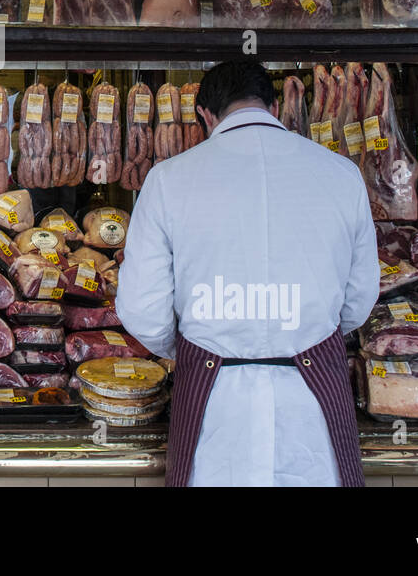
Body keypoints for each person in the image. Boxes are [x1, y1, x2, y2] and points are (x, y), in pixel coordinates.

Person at [115, 60, 378, 486]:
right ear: (275, 107)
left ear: (204, 115)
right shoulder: (343, 175)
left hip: (215, 405)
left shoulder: (167, 180)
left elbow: (143, 311)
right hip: (312, 406)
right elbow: (358, 301)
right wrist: (301, 327)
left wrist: (199, 347)